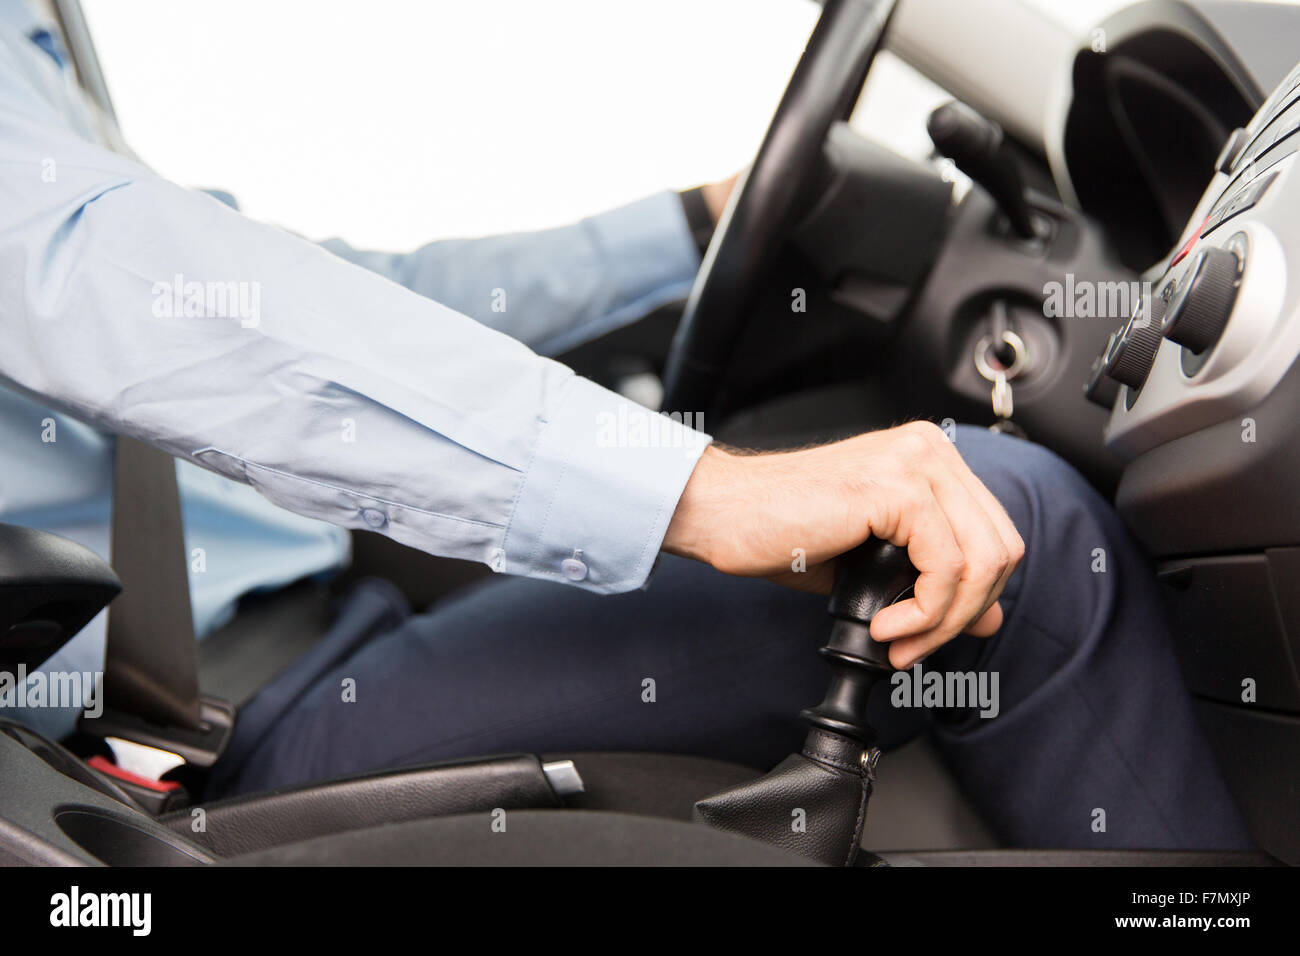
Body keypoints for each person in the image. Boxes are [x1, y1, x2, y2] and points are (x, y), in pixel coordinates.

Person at [0, 3, 1251, 849]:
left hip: (297, 643)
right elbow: (97, 273)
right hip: (176, 745)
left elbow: (313, 294)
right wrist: (708, 492)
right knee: (1002, 540)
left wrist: (691, 225)